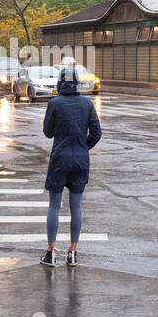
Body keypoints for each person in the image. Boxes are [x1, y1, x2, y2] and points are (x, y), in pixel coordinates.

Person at [41, 66, 101, 268]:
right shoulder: (86, 103)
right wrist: (84, 147)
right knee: (76, 206)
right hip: (81, 159)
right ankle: (73, 252)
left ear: (60, 83)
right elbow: (96, 133)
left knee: (54, 206)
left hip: (59, 158)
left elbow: (48, 132)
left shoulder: (54, 103)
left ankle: (50, 253)